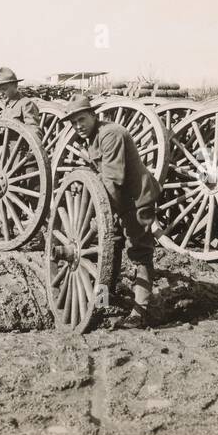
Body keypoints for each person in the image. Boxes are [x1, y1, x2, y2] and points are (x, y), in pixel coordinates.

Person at [60, 95, 162, 325]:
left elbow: (112, 180)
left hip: (137, 200)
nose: (78, 126)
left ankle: (140, 312)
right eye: (74, 123)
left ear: (93, 115)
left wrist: (99, 215)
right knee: (110, 248)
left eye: (82, 119)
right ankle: (105, 300)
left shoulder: (111, 134)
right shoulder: (91, 138)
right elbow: (99, 175)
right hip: (116, 200)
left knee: (139, 252)